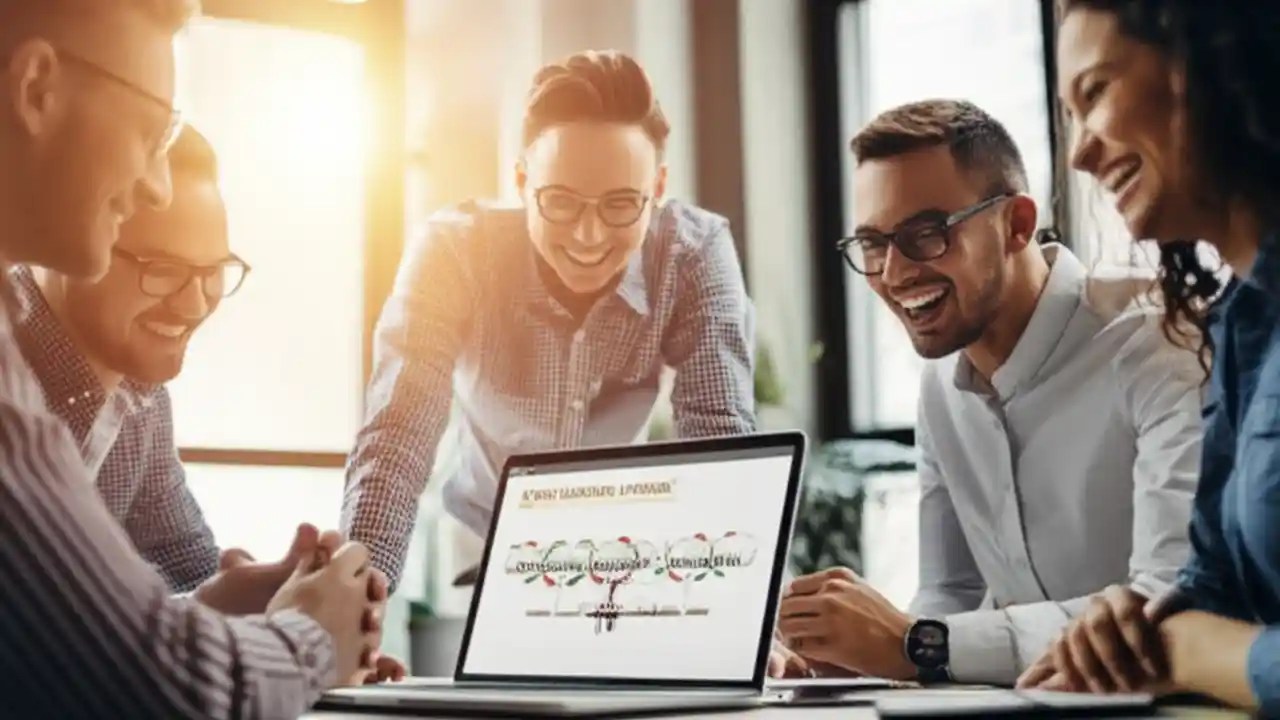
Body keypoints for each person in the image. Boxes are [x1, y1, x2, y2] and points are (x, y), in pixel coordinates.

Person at [0, 1, 385, 715]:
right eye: (149, 134)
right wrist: (309, 640)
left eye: (214, 273)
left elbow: (156, 598)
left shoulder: (139, 406)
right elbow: (157, 682)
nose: (154, 183)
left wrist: (223, 608)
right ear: (35, 92)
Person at [771, 99, 1204, 686]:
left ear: (1016, 224)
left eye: (926, 234)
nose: (895, 275)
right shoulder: (939, 388)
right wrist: (856, 655)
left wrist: (914, 643)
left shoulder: (1158, 344)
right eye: (873, 245)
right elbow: (948, 594)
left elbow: (1168, 603)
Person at [343, 49, 756, 588]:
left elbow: (718, 441)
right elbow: (399, 431)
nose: (588, 236)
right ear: (520, 183)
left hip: (621, 545)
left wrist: (738, 609)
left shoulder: (693, 253)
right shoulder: (455, 251)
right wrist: (359, 598)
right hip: (479, 534)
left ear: (656, 189)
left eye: (620, 205)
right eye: (560, 201)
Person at [1018, 2, 1280, 714]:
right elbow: (1216, 581)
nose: (1078, 153)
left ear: (1209, 66)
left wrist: (1190, 649)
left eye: (1095, 91)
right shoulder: (1237, 328)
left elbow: (1210, 635)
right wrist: (1135, 622)